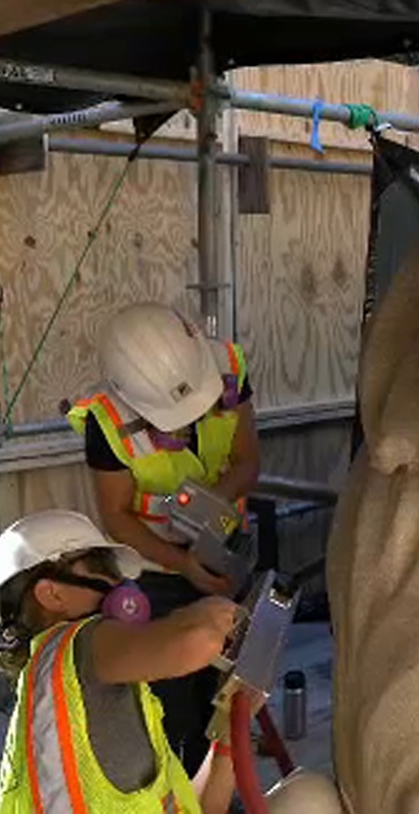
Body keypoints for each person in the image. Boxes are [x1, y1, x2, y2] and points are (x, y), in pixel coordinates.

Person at [66, 302, 262, 780]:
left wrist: (209, 511)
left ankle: (219, 788)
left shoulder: (227, 369)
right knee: (171, 703)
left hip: (225, 556)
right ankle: (177, 793)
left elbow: (248, 461)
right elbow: (116, 516)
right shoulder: (107, 421)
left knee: (229, 692)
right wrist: (182, 562)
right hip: (156, 575)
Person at [0, 508, 241, 814]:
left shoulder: (80, 689)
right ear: (52, 594)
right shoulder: (76, 645)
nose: (118, 581)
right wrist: (216, 612)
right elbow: (198, 641)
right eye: (101, 566)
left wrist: (230, 728)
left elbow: (195, 808)